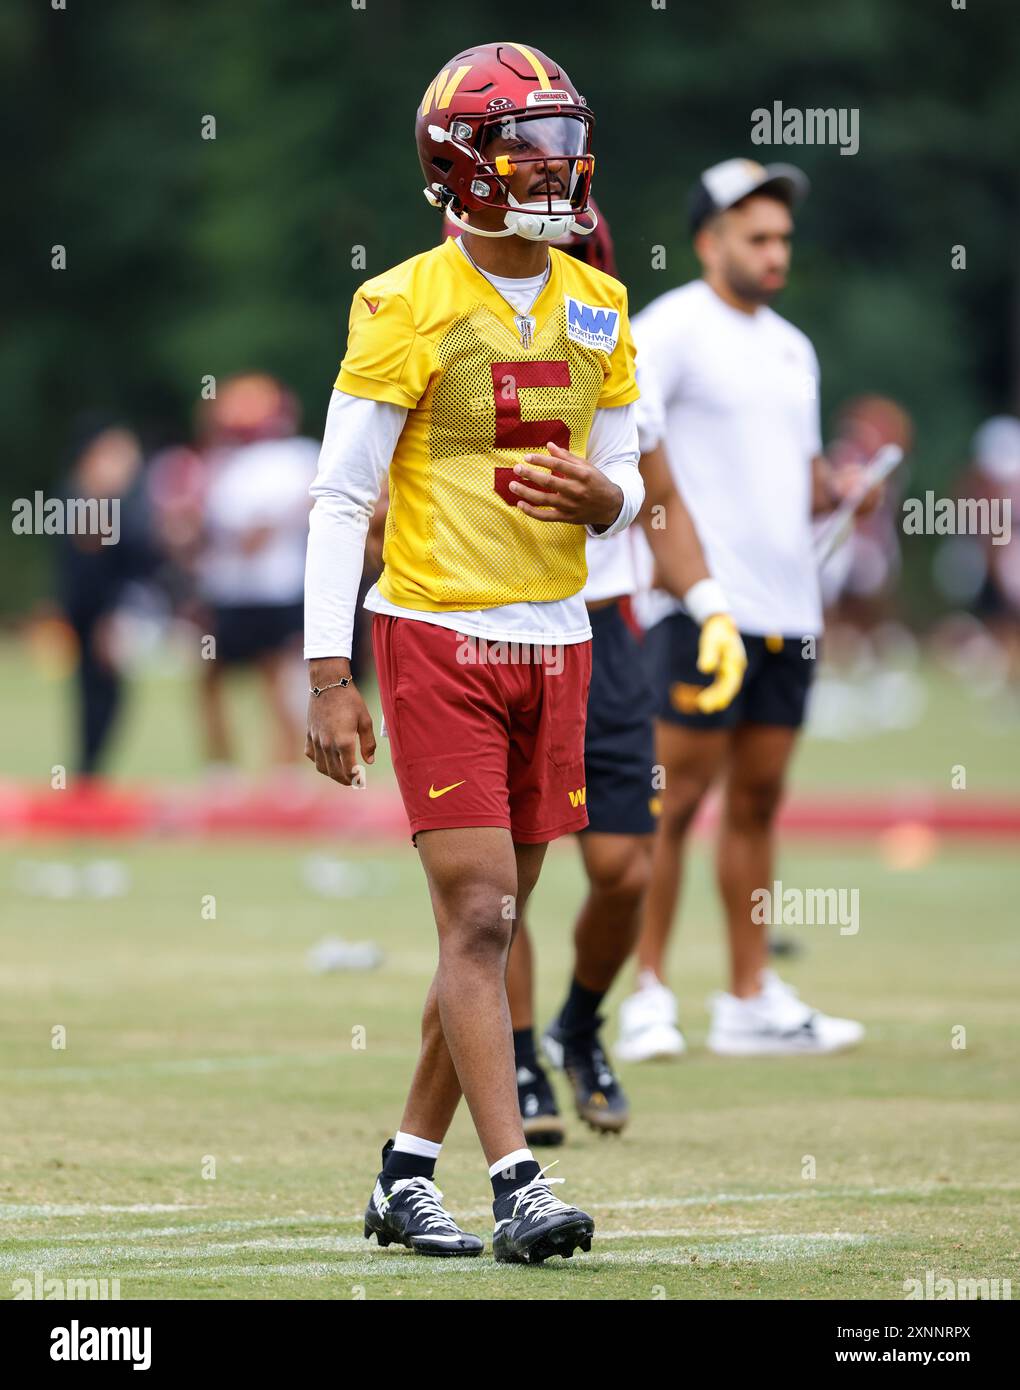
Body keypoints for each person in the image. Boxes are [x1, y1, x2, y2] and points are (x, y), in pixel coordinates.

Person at [304, 42, 644, 1263]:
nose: (555, 164)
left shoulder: (597, 302)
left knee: (483, 931)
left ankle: (405, 1171)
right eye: (527, 144)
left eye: (562, 139)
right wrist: (328, 672)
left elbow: (632, 476)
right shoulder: (403, 302)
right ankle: (517, 1183)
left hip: (559, 637)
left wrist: (604, 502)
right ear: (462, 164)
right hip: (438, 628)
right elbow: (341, 498)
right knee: (484, 917)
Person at [495, 209, 746, 1143]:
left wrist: (711, 603)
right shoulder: (456, 336)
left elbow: (661, 505)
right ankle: (516, 1053)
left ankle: (577, 1025)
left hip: (606, 634)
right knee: (497, 882)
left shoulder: (611, 351)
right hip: (501, 630)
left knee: (623, 868)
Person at [619, 158, 869, 1060]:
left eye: (782, 239)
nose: (774, 253)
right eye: (756, 237)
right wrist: (678, 575)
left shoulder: (793, 347)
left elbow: (804, 487)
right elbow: (638, 458)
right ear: (707, 240)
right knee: (669, 801)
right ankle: (646, 992)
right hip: (702, 606)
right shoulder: (669, 330)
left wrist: (846, 492)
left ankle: (748, 994)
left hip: (789, 610)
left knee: (759, 802)